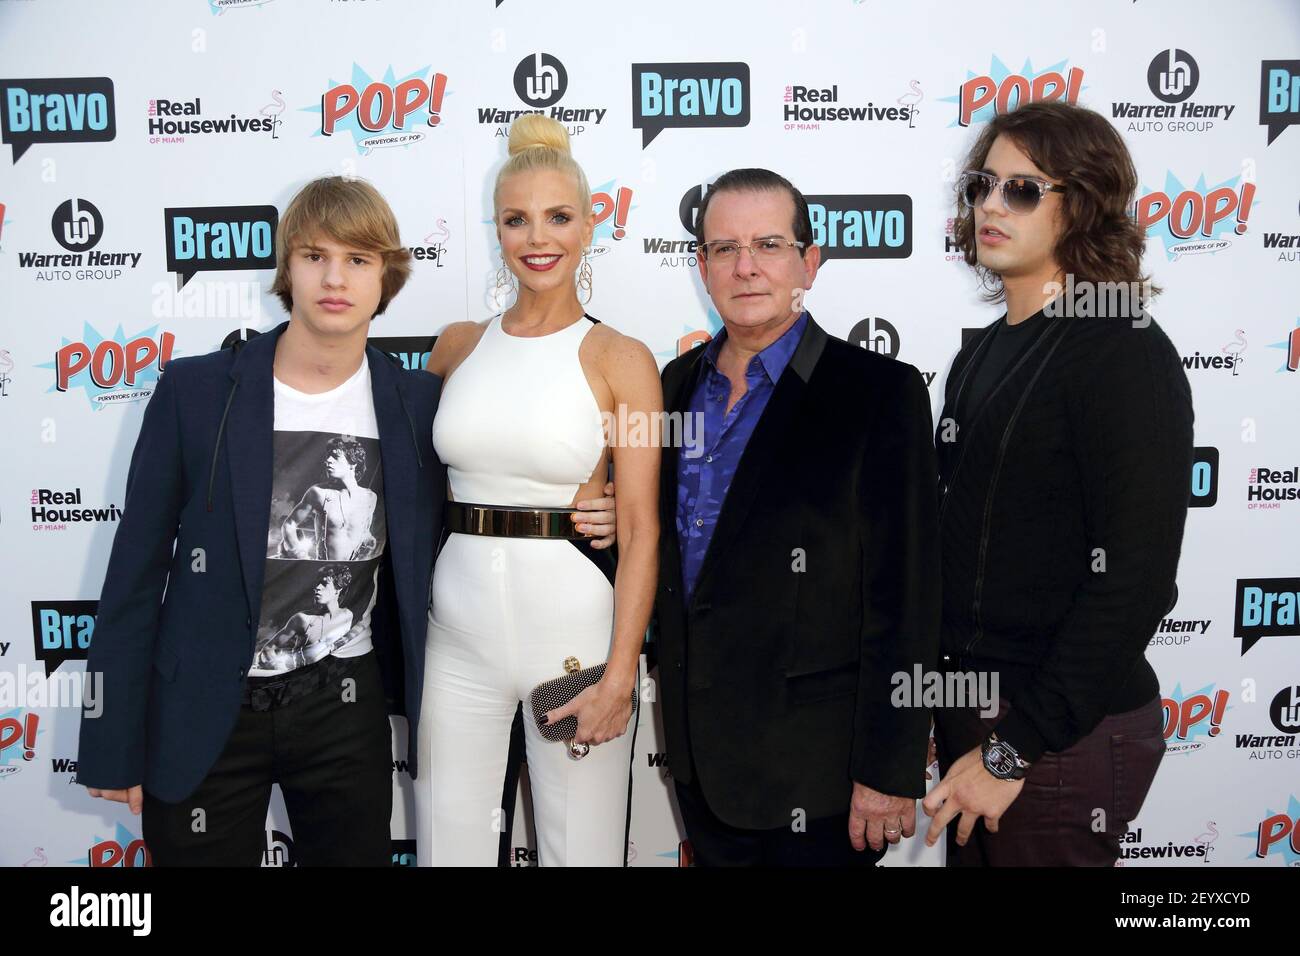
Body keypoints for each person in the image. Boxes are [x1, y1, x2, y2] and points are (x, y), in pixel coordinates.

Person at [75, 175, 618, 866]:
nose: (336, 278)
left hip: (342, 708)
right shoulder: (197, 392)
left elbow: (494, 473)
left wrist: (594, 509)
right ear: (287, 269)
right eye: (314, 256)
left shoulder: (417, 401)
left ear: (386, 276)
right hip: (206, 710)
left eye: (359, 260)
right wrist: (115, 741)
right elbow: (133, 577)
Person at [922, 101, 1193, 866]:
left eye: (1022, 190)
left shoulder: (1121, 350)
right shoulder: (985, 354)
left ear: (1084, 206)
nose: (989, 206)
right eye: (982, 185)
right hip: (982, 720)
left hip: (1058, 738)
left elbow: (1135, 582)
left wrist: (1015, 751)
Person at [653, 168, 940, 866]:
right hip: (699, 763)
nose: (745, 266)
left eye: (769, 244)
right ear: (701, 266)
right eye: (723, 248)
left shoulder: (878, 393)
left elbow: (907, 596)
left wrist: (888, 767)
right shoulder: (673, 385)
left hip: (825, 777)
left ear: (810, 262)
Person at [416, 115, 661, 867]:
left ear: (590, 225)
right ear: (496, 230)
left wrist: (622, 674)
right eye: (516, 219)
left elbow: (644, 528)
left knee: (578, 854)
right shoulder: (456, 346)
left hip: (575, 642)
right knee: (446, 851)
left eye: (558, 216)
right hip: (455, 640)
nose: (537, 237)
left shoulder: (626, 360)